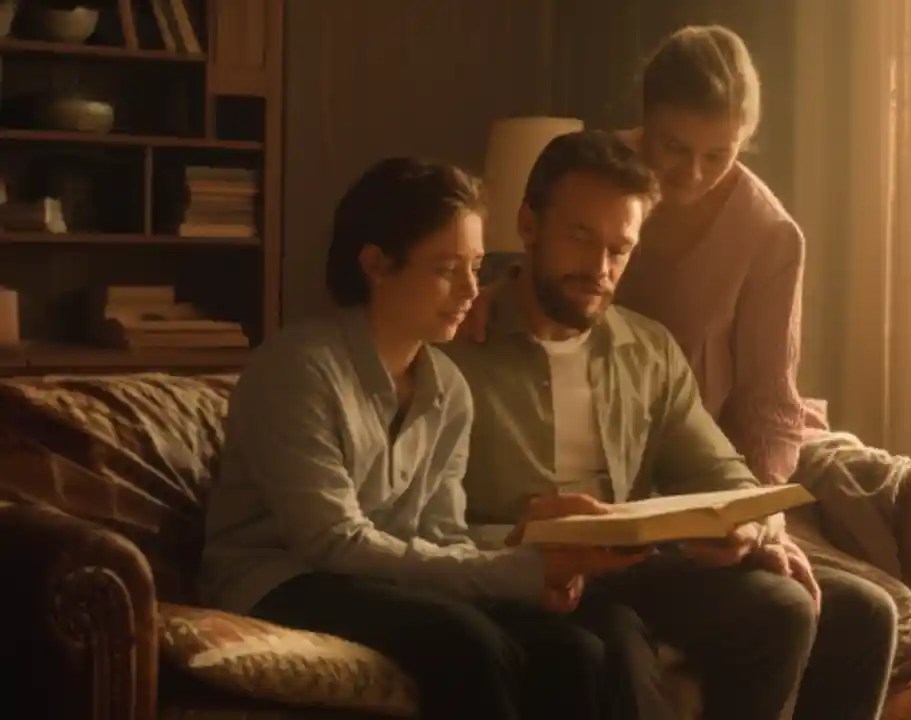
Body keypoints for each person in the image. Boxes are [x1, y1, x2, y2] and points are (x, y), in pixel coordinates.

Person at [464, 26, 900, 720]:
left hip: (668, 505)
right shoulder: (589, 181)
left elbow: (760, 411)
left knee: (855, 612)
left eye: (718, 156)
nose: (692, 174)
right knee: (619, 643)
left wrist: (754, 527)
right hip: (557, 543)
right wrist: (475, 292)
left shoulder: (729, 271)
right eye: (674, 148)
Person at [198, 158, 647, 720]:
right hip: (286, 577)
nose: (469, 290)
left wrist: (539, 541)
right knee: (467, 644)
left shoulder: (447, 388)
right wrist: (520, 573)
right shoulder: (299, 369)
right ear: (377, 265)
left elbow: (439, 533)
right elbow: (331, 542)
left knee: (573, 649)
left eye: (477, 267)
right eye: (446, 269)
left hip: (378, 576)